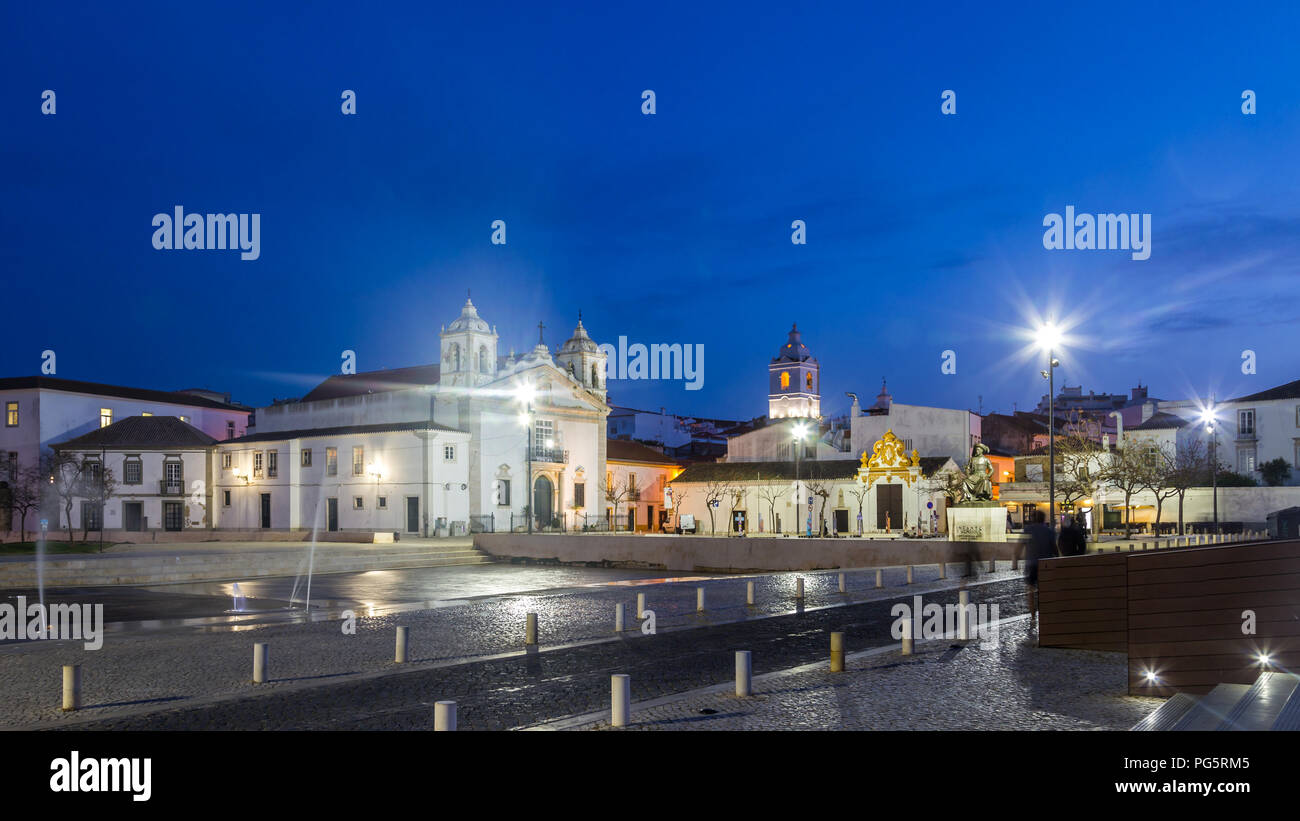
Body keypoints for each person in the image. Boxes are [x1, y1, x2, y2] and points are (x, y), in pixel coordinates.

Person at [1023, 510, 1058, 631]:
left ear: (1033, 518)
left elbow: (1019, 546)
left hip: (1031, 564)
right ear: (1043, 519)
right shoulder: (1049, 532)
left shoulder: (1027, 530)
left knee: (1030, 591)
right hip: (1045, 565)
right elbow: (1054, 548)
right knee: (1044, 591)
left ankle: (1033, 616)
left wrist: (1015, 558)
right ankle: (1045, 615)